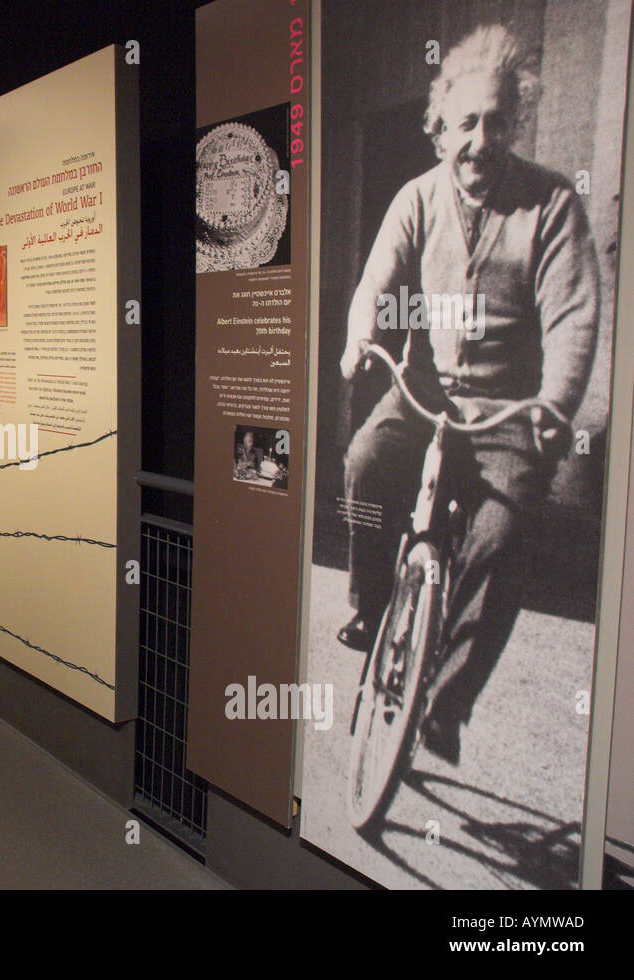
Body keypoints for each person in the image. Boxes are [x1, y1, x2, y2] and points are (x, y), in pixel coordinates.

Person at [335, 25, 597, 765]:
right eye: (467, 123)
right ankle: (371, 607)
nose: (482, 140)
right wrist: (361, 340)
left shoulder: (552, 207)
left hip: (509, 413)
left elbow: (574, 315)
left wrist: (555, 401)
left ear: (516, 124)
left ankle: (446, 703)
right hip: (422, 395)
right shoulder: (416, 199)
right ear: (439, 128)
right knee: (363, 464)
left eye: (498, 121)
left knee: (503, 535)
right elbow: (377, 284)